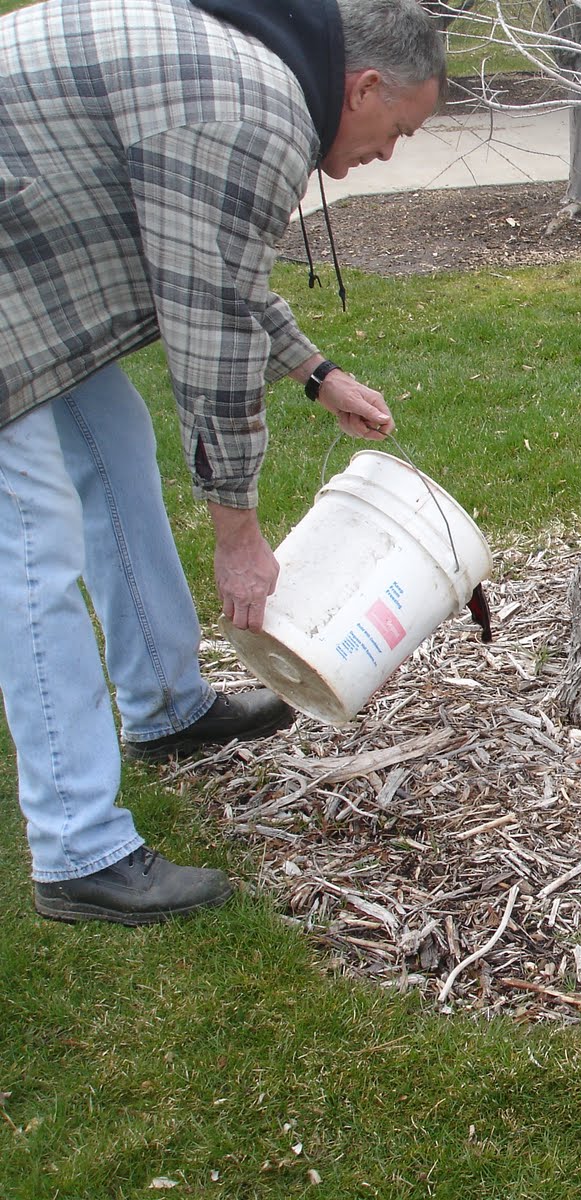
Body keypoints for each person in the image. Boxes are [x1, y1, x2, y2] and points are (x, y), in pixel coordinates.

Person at [0, 0, 447, 925]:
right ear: (361, 87)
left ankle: (167, 706)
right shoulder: (255, 108)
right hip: (18, 265)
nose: (390, 154)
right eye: (397, 130)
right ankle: (79, 852)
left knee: (113, 439)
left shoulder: (263, 69)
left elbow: (215, 268)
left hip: (27, 262)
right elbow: (207, 336)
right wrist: (237, 532)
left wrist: (316, 372)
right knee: (32, 544)